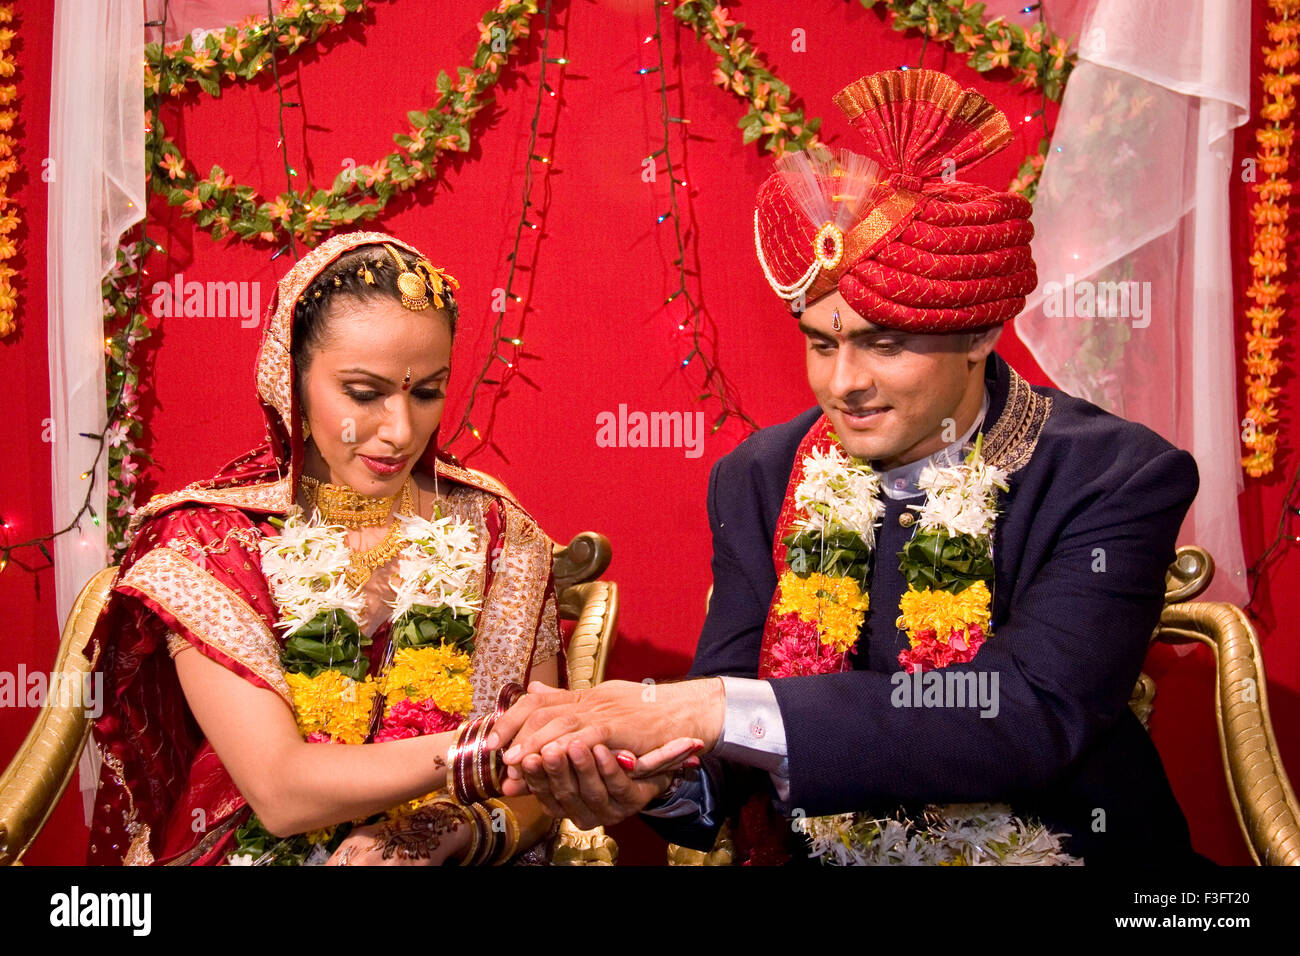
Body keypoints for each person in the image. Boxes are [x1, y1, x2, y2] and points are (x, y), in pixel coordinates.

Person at [489, 69, 1204, 865]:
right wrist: (655, 783)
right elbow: (722, 755)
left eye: (884, 344)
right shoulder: (760, 477)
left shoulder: (1110, 477)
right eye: (822, 343)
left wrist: (704, 707)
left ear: (978, 336)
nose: (843, 384)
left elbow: (1026, 712)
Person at [86, 231, 573, 865]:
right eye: (364, 394)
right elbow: (283, 793)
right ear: (289, 377)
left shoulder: (498, 532)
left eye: (426, 392)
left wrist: (450, 834)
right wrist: (485, 749)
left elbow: (543, 783)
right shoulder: (211, 544)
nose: (399, 432)